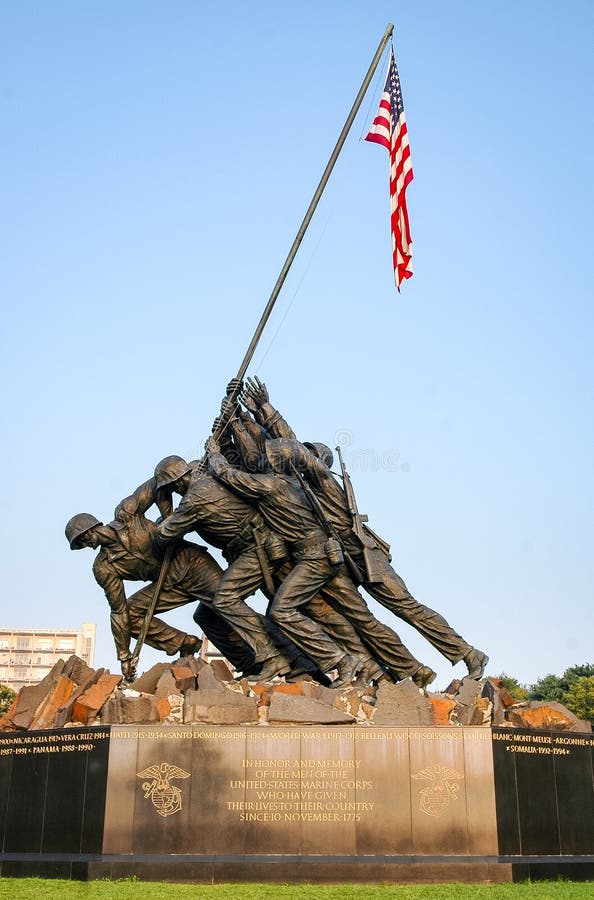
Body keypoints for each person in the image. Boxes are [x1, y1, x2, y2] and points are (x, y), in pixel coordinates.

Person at [240, 378, 489, 680]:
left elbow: (291, 444)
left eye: (306, 455)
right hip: (343, 557)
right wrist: (248, 415)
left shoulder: (323, 480)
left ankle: (468, 654)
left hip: (363, 552)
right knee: (365, 622)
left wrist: (266, 409)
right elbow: (286, 447)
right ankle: (408, 672)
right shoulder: (303, 488)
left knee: (407, 608)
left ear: (317, 461)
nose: (297, 458)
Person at [206, 436, 435, 688]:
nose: (260, 459)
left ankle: (347, 662)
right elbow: (255, 458)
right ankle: (386, 671)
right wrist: (236, 428)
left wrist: (215, 453)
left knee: (285, 612)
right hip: (319, 556)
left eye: (268, 457)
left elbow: (231, 477)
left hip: (315, 558)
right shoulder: (291, 484)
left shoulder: (273, 486)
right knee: (351, 621)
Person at [65, 476, 226, 680]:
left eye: (84, 535)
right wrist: (124, 656)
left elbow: (159, 482)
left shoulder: (127, 513)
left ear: (93, 525)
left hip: (191, 565)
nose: (86, 542)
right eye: (80, 543)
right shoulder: (103, 568)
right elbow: (119, 611)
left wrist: (167, 516)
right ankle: (184, 642)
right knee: (130, 615)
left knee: (227, 606)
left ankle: (265, 655)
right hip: (167, 585)